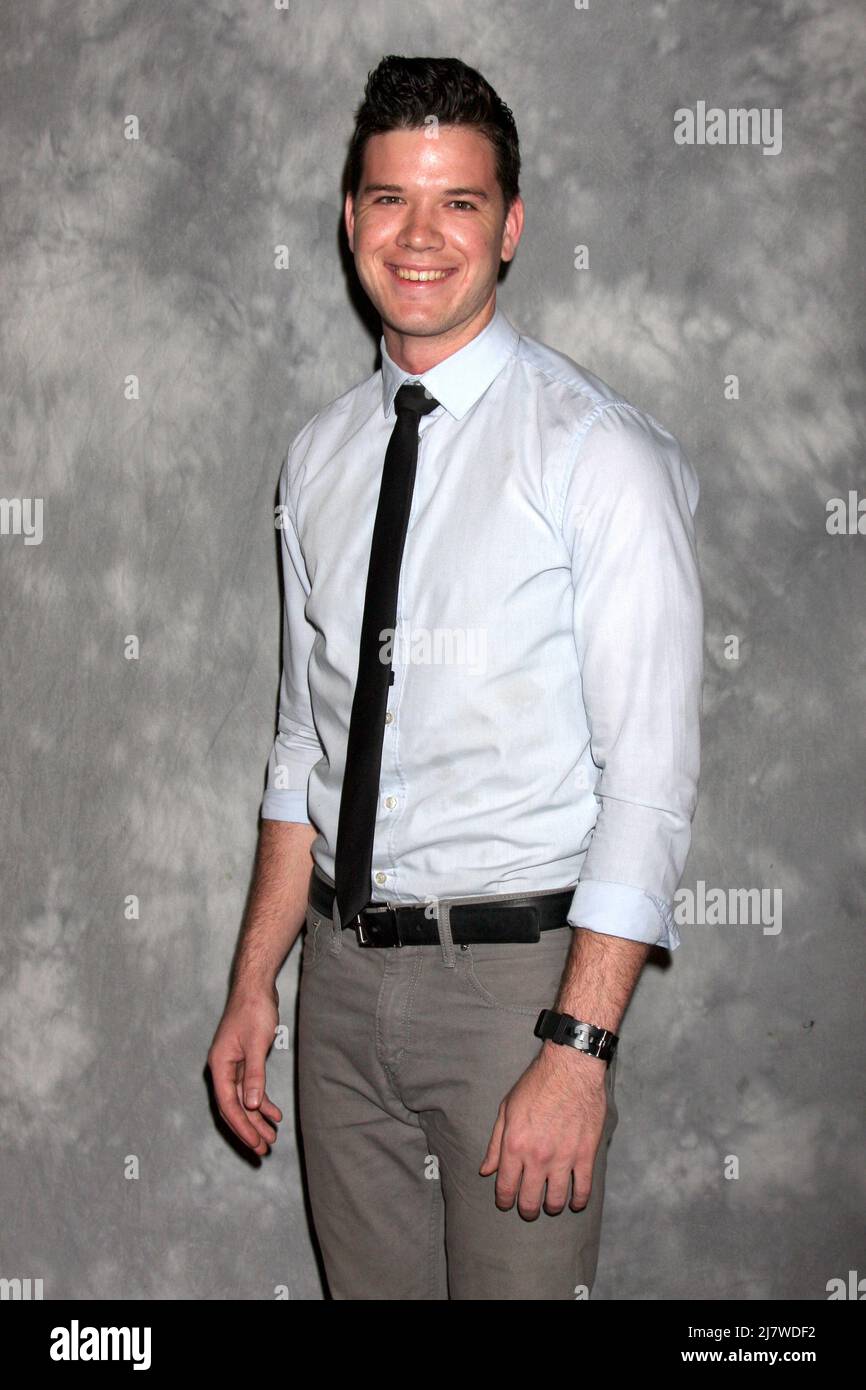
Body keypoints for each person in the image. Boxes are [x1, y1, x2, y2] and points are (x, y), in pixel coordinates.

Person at [207, 54, 704, 1301]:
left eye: (459, 202)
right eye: (388, 199)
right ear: (348, 218)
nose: (419, 235)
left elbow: (646, 780)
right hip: (337, 977)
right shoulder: (317, 459)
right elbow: (298, 750)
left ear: (511, 226)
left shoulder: (597, 459)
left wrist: (578, 1045)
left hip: (516, 994)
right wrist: (254, 980)